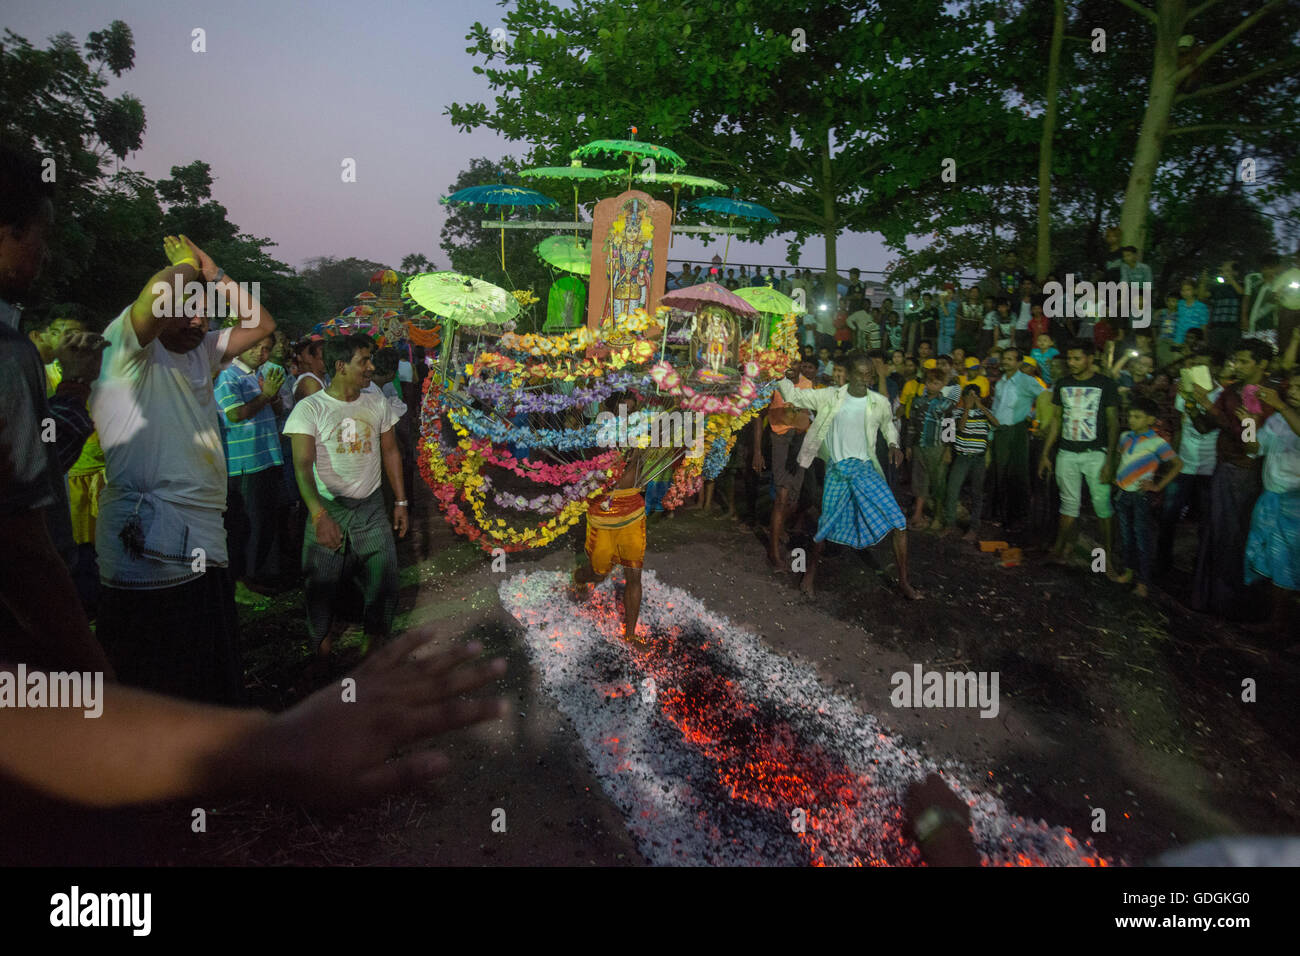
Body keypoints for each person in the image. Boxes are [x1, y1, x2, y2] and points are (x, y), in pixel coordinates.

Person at [92, 234, 276, 705]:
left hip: (202, 531)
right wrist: (183, 268)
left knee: (206, 664)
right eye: (186, 308)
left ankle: (209, 756)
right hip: (149, 534)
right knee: (156, 671)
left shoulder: (201, 351)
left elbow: (261, 324)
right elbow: (150, 305)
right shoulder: (129, 349)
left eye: (204, 311)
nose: (198, 319)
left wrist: (213, 274)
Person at [284, 333, 407, 666]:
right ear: (341, 366)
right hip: (329, 508)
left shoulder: (376, 400)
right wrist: (319, 515)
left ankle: (373, 651)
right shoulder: (310, 409)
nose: (371, 367)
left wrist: (400, 502)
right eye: (363, 361)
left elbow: (391, 450)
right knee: (320, 586)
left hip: (370, 508)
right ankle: (320, 658)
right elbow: (303, 466)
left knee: (385, 579)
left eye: (370, 360)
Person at [774, 353, 919, 599]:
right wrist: (782, 377)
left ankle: (904, 581)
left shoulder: (879, 402)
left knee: (899, 522)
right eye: (861, 374)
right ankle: (809, 574)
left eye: (870, 374)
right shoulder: (830, 396)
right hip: (838, 471)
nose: (867, 378)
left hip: (865, 470)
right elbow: (794, 396)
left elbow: (888, 426)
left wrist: (894, 444)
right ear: (849, 375)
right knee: (825, 526)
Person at [1185, 338, 1275, 618]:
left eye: (1245, 361)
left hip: (1245, 473)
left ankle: (1235, 602)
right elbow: (1207, 428)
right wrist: (1193, 406)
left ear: (1262, 364)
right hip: (1224, 468)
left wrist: (1209, 407)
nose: (1238, 365)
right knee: (1216, 532)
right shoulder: (1232, 391)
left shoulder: (1269, 395)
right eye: (1237, 360)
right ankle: (1212, 599)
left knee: (1235, 537)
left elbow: (1248, 441)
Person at [1038, 339, 1121, 567]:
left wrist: (1110, 459)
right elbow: (1057, 421)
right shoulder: (1063, 384)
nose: (1072, 363)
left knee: (1102, 506)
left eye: (1077, 358)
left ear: (1090, 359)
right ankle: (1061, 550)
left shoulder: (1105, 384)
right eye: (1070, 359)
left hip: (1096, 454)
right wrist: (1045, 453)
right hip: (1066, 453)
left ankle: (1106, 559)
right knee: (1068, 504)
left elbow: (1114, 423)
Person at [215, 337, 286, 599]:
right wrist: (266, 395)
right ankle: (241, 581)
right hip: (243, 463)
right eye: (255, 346)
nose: (261, 352)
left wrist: (273, 397)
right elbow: (234, 414)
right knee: (245, 525)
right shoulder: (227, 376)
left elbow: (278, 409)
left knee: (264, 521)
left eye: (266, 348)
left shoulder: (264, 375)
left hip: (267, 456)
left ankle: (259, 576)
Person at [1240, 380, 1300, 639]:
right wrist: (1248, 424)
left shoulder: (1285, 415)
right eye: (1294, 386)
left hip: (1295, 504)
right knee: (1276, 561)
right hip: (1272, 499)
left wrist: (1279, 406)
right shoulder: (1278, 420)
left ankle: (1281, 625)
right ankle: (1276, 622)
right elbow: (1252, 449)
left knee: (1289, 564)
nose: (1293, 392)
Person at [1108, 397, 1182, 597]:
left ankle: (1144, 582)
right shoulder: (1125, 437)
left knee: (1142, 538)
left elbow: (1177, 465)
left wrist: (1157, 486)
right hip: (1123, 494)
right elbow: (1119, 456)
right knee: (1126, 536)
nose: (1132, 419)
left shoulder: (1157, 443)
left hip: (1141, 496)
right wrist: (1116, 477)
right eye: (1130, 416)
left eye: (1137, 416)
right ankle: (1129, 572)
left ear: (1150, 419)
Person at [761, 360, 816, 567]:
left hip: (800, 440)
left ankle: (779, 528)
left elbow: (805, 416)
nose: (791, 368)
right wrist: (758, 450)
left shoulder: (807, 385)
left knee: (793, 496)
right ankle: (773, 552)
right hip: (780, 439)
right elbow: (761, 413)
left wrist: (799, 446)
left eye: (795, 363)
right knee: (782, 496)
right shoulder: (775, 383)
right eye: (787, 364)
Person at [989, 348, 1046, 534]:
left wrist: (1034, 417)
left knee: (1017, 474)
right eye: (1004, 358)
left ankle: (1018, 517)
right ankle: (1002, 515)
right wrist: (991, 434)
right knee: (1000, 472)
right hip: (1001, 431)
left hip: (1016, 431)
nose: (1005, 362)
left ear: (1019, 362)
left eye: (1010, 359)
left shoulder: (1026, 381)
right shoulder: (1001, 382)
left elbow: (1045, 397)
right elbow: (996, 408)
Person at [942, 384, 998, 541]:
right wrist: (967, 408)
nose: (972, 399)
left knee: (977, 493)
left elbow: (996, 423)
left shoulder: (985, 413)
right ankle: (949, 524)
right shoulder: (956, 412)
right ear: (963, 397)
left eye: (975, 396)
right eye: (969, 395)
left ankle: (974, 528)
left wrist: (980, 406)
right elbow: (957, 430)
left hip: (978, 458)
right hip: (961, 457)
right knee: (952, 490)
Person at [906, 368, 954, 530]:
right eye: (929, 382)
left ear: (942, 385)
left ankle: (938, 517)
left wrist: (947, 449)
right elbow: (911, 425)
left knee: (938, 482)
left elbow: (949, 428)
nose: (932, 386)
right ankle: (918, 514)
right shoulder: (918, 401)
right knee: (920, 480)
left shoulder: (946, 404)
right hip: (920, 446)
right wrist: (908, 445)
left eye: (936, 383)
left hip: (937, 448)